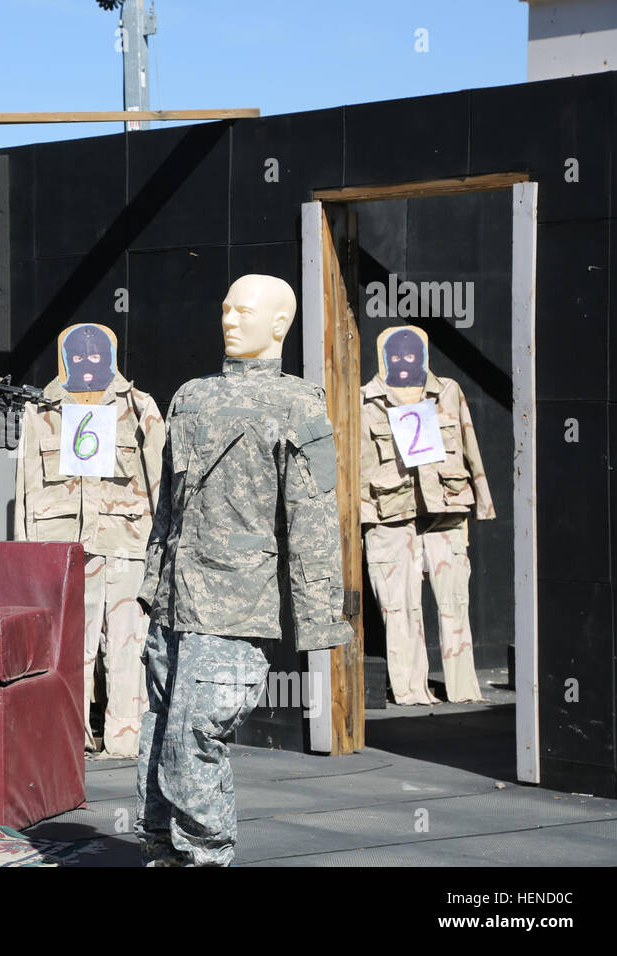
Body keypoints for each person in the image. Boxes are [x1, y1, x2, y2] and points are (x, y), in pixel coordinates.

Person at [136, 274, 351, 866]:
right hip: (174, 598)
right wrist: (153, 586)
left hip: (235, 599)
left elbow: (312, 518)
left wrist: (318, 620)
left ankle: (204, 854)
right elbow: (167, 504)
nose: (230, 319)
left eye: (246, 311)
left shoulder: (297, 403)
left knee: (195, 734)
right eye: (225, 308)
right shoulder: (189, 396)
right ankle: (159, 845)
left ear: (281, 323)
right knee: (157, 729)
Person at [13, 323, 165, 757]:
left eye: (96, 355)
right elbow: (24, 486)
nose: (86, 362)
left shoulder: (138, 405)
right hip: (62, 547)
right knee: (70, 646)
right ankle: (69, 738)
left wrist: (162, 545)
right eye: (76, 356)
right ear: (64, 358)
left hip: (126, 542)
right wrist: (28, 555)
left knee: (127, 643)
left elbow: (161, 479)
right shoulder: (40, 408)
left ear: (111, 356)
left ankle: (125, 739)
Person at [360, 325, 494, 704]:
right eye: (396, 356)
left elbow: (469, 442)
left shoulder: (447, 392)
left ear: (424, 356)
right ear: (383, 357)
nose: (404, 362)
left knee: (454, 602)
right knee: (397, 605)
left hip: (445, 512)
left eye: (412, 354)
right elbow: (353, 459)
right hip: (389, 515)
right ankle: (409, 690)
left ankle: (464, 689)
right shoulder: (363, 400)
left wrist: (481, 502)